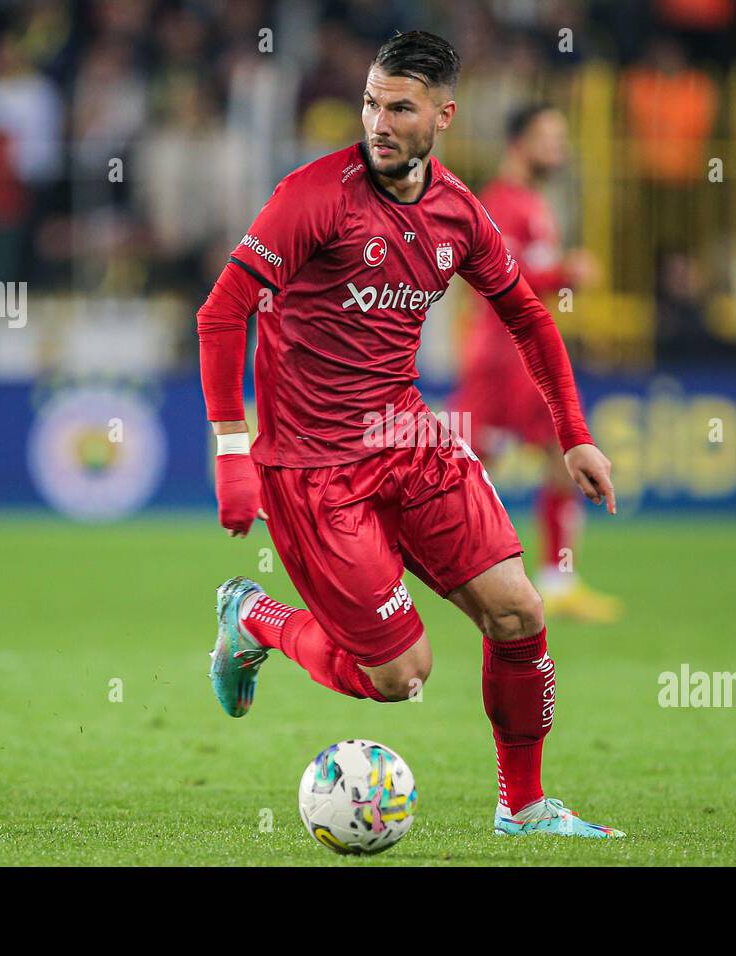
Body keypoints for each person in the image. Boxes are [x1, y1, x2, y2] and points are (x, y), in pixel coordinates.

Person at [194, 31, 623, 838]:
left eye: (399, 107)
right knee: (399, 676)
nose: (378, 122)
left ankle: (524, 807)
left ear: (443, 115)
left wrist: (574, 435)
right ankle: (253, 618)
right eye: (370, 103)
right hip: (316, 472)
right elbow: (221, 312)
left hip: (411, 442)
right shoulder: (311, 197)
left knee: (519, 613)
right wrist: (231, 453)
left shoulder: (459, 211)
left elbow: (529, 316)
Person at [448, 104, 622, 622]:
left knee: (549, 456)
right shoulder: (502, 202)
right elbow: (504, 279)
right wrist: (567, 273)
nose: (560, 148)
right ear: (518, 143)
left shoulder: (529, 202)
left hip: (515, 356)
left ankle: (557, 577)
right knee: (463, 468)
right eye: (549, 137)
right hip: (503, 357)